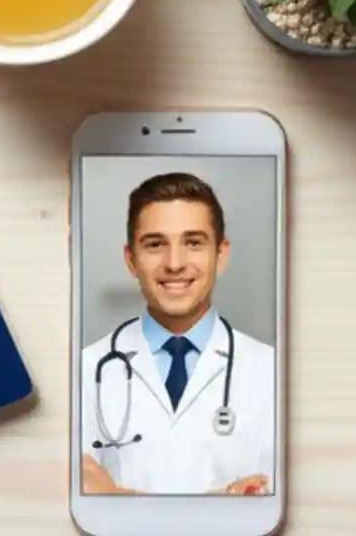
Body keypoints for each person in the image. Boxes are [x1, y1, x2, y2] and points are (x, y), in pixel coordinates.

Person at [80, 172, 276, 495]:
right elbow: (78, 491)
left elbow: (275, 499)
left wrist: (118, 499)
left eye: (193, 243)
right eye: (155, 244)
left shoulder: (272, 372)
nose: (174, 264)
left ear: (221, 255)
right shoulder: (86, 370)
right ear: (131, 260)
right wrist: (217, 506)